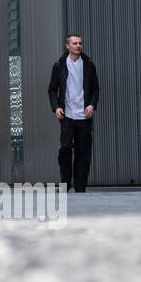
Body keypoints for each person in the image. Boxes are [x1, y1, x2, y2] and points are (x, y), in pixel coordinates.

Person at [46, 33, 100, 193]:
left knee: (83, 154)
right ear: (67, 46)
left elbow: (95, 89)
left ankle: (80, 186)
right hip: (67, 115)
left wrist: (92, 105)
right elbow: (51, 90)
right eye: (75, 43)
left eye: (80, 43)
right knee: (65, 150)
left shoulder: (89, 65)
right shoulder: (59, 65)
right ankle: (65, 183)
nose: (78, 46)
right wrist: (56, 107)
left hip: (84, 116)